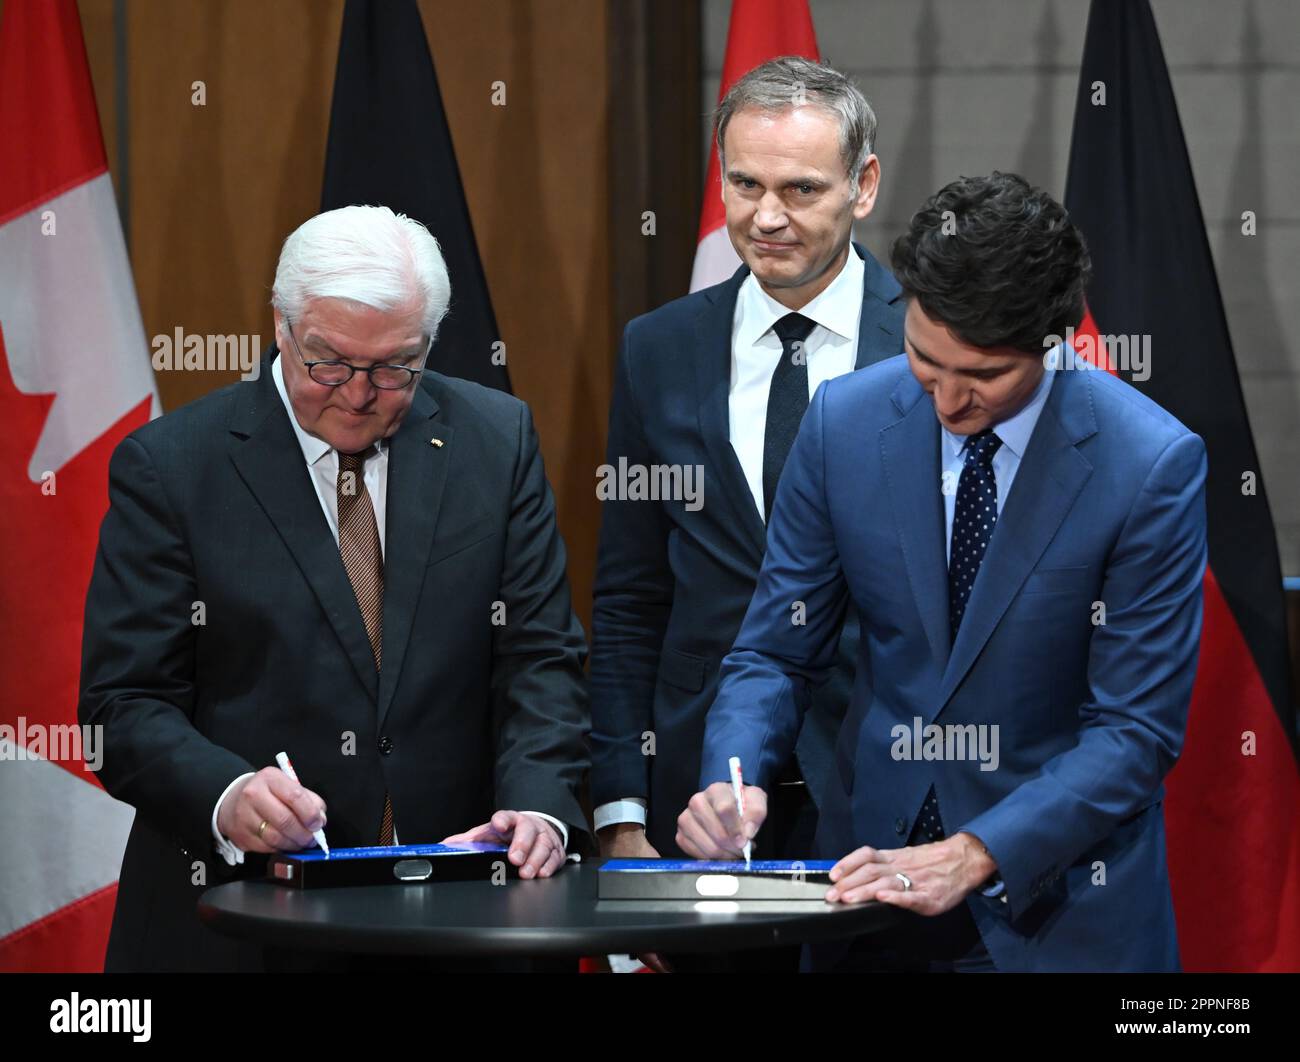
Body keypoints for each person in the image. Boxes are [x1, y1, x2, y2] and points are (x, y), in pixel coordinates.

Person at [679, 172, 1207, 972]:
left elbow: (1136, 731)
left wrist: (978, 851)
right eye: (927, 361)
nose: (950, 401)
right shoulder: (844, 425)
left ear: (1051, 344)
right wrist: (736, 775)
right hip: (863, 902)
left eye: (986, 377)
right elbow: (776, 651)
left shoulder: (1148, 465)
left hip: (1061, 911)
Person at [79, 205, 590, 971]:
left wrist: (540, 808)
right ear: (281, 327)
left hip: (461, 914)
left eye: (394, 368)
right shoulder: (174, 468)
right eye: (329, 363)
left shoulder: (496, 438)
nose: (358, 394)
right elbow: (120, 707)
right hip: (242, 918)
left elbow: (540, 659)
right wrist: (227, 794)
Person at [590, 56, 904, 919]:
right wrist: (620, 813)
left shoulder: (929, 344)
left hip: (886, 789)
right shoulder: (656, 348)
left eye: (801, 189)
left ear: (864, 185)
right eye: (744, 184)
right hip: (700, 805)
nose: (767, 218)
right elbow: (629, 594)